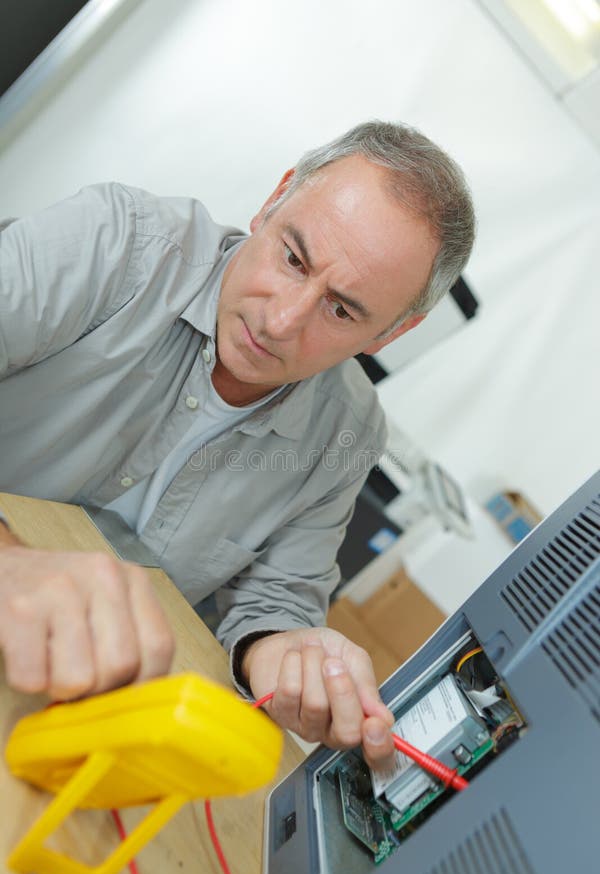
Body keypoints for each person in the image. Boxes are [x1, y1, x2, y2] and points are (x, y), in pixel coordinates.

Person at [0, 121, 475, 770]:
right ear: (275, 199)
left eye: (341, 310)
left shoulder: (349, 435)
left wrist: (288, 656)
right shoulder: (116, 243)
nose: (280, 321)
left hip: (68, 708)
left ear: (391, 334)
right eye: (293, 258)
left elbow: (275, 602)